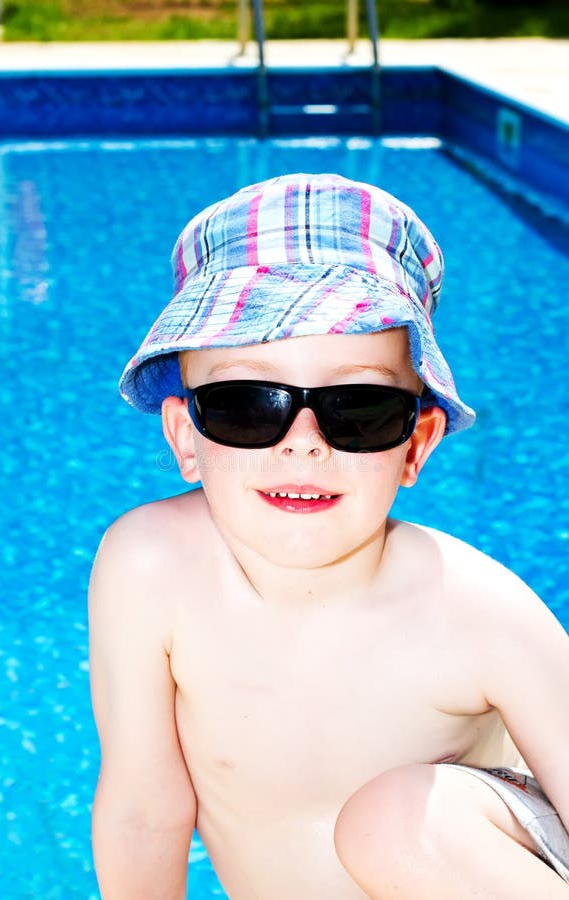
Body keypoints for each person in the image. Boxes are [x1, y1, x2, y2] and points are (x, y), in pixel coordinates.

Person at [88, 173, 569, 899]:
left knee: (400, 825)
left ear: (415, 444)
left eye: (358, 409)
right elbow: (142, 812)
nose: (304, 443)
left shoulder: (479, 613)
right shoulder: (150, 568)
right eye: (248, 404)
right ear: (186, 436)